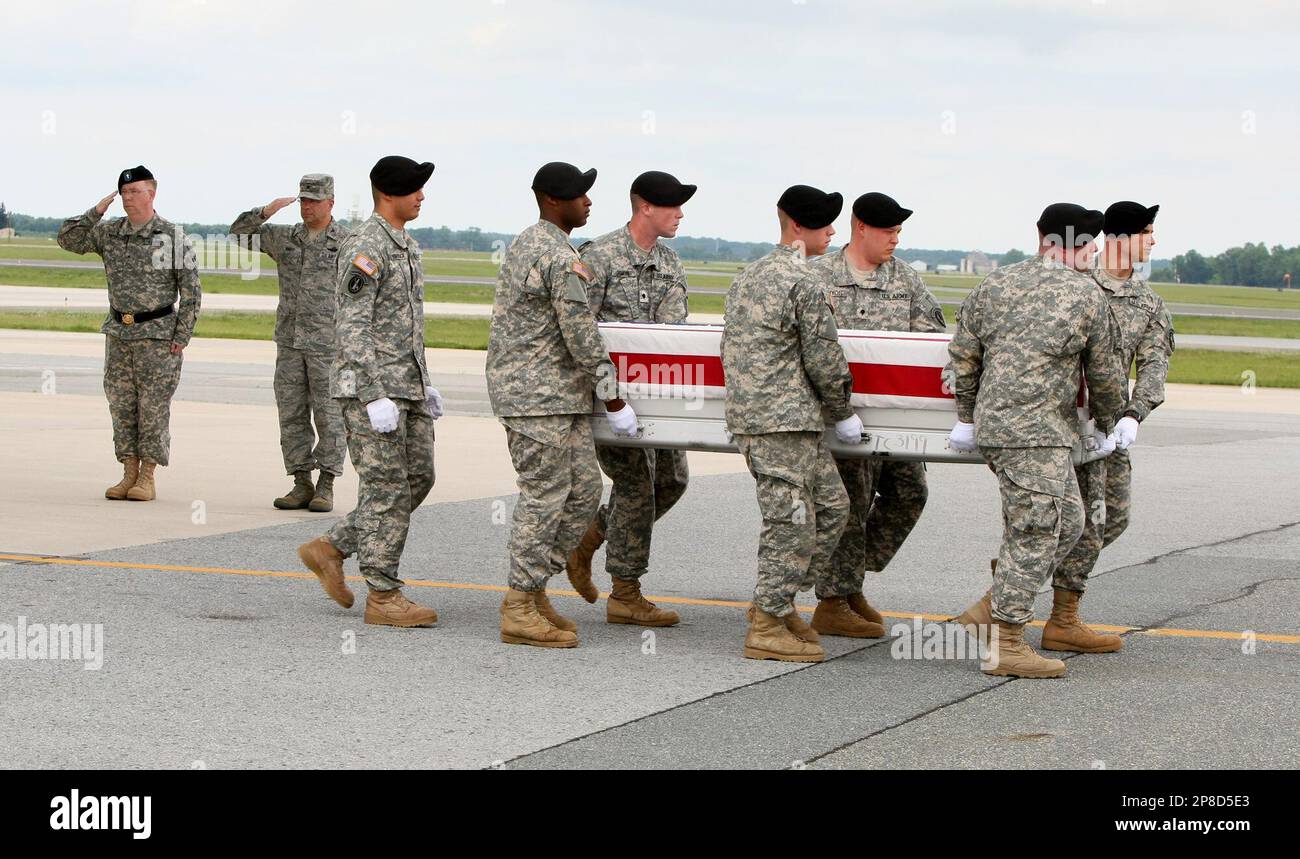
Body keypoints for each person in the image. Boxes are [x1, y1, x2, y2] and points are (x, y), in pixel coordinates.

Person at [947, 203, 1127, 678]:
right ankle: (1006, 641)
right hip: (1035, 433)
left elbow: (963, 358)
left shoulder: (994, 284)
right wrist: (1110, 424)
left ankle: (990, 609)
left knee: (1068, 522)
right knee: (1039, 529)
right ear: (1085, 247)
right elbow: (1106, 375)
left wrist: (968, 417)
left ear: (1041, 235)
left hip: (1004, 430)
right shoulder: (1087, 296)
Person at [486, 162, 639, 648]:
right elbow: (579, 328)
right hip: (537, 396)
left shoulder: (541, 243)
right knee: (545, 495)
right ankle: (519, 604)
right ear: (555, 201)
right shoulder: (554, 254)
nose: (589, 202)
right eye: (581, 195)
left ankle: (533, 590)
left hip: (556, 394)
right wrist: (611, 393)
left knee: (584, 490)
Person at [296, 156, 442, 628]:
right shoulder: (366, 245)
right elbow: (353, 325)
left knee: (418, 479)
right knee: (385, 488)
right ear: (388, 194)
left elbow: (404, 325)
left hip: (408, 386)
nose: (421, 196)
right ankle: (383, 594)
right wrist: (373, 393)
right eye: (414, 189)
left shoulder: (406, 246)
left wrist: (424, 382)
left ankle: (332, 546)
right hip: (372, 390)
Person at [721, 184, 864, 663]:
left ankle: (777, 602)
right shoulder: (802, 282)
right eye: (824, 223)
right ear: (797, 226)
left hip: (779, 419)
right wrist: (843, 412)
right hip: (777, 421)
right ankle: (766, 621)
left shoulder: (750, 275)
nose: (832, 231)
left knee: (832, 507)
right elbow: (824, 357)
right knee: (791, 522)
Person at [807, 192, 946, 639]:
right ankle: (833, 601)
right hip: (841, 416)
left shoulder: (905, 280)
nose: (895, 240)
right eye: (889, 231)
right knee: (849, 503)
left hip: (897, 419)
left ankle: (850, 579)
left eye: (899, 232)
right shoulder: (819, 277)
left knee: (910, 494)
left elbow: (932, 341)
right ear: (861, 227)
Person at [565, 170, 696, 627]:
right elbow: (580, 331)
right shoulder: (597, 257)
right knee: (637, 486)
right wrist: (610, 396)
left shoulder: (670, 262)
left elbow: (673, 334)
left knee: (672, 482)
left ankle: (593, 534)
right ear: (645, 207)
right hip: (611, 401)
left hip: (657, 401)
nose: (680, 214)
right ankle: (626, 591)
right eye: (672, 206)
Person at [1046, 201, 1173, 653]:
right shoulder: (1077, 285)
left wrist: (1135, 414)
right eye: (1147, 232)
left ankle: (1017, 594)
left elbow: (1154, 363)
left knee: (1111, 519)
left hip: (1112, 429)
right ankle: (1056, 616)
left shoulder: (1148, 301)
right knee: (1072, 523)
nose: (1154, 241)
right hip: (1066, 423)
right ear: (1121, 238)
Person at [57, 166, 201, 502]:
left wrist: (182, 335)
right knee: (121, 405)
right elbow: (67, 238)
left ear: (152, 193)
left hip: (158, 335)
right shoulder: (110, 232)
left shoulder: (171, 236)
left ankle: (147, 476)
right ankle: (128, 472)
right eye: (123, 192)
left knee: (151, 408)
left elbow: (192, 291)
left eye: (135, 191)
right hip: (120, 332)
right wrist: (95, 211)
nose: (127, 198)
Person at [230, 174, 351, 512]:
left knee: (329, 415)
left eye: (314, 200)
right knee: (292, 414)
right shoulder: (285, 238)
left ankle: (327, 484)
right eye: (303, 200)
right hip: (289, 342)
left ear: (331, 202)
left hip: (328, 344)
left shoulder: (347, 242)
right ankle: (301, 482)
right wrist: (265, 211)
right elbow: (238, 233)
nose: (307, 206)